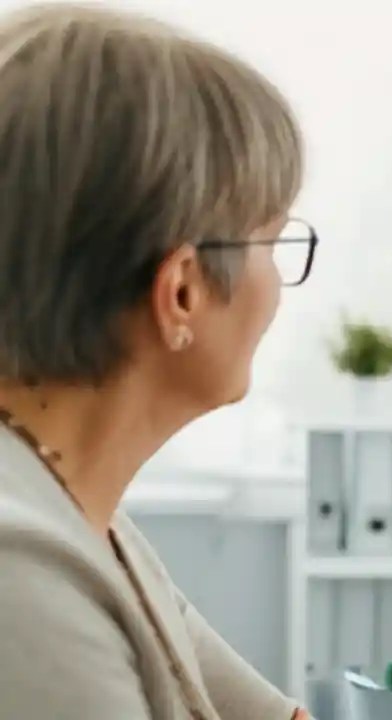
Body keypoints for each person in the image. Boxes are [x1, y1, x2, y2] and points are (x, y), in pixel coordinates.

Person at [0, 4, 317, 719]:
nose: (277, 285)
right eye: (272, 243)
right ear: (181, 292)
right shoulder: (21, 573)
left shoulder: (86, 518)